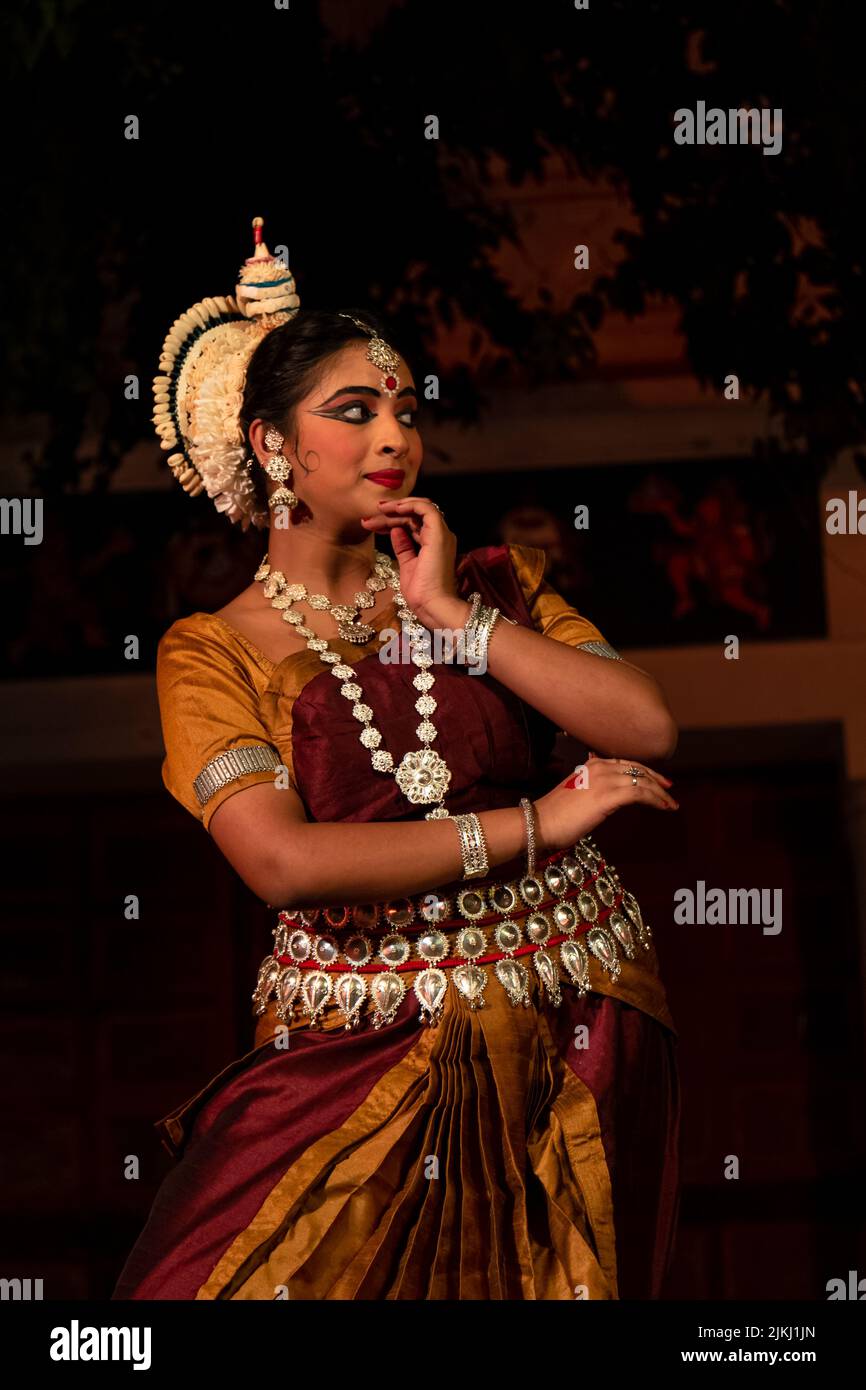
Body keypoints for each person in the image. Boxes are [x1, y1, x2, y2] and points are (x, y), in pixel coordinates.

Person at [112, 219, 681, 1301]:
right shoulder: (213, 651)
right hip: (356, 1042)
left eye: (406, 411)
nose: (394, 438)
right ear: (275, 447)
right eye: (355, 411)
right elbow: (279, 863)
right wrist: (533, 827)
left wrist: (455, 619)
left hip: (569, 1013)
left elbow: (644, 725)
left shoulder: (490, 583)